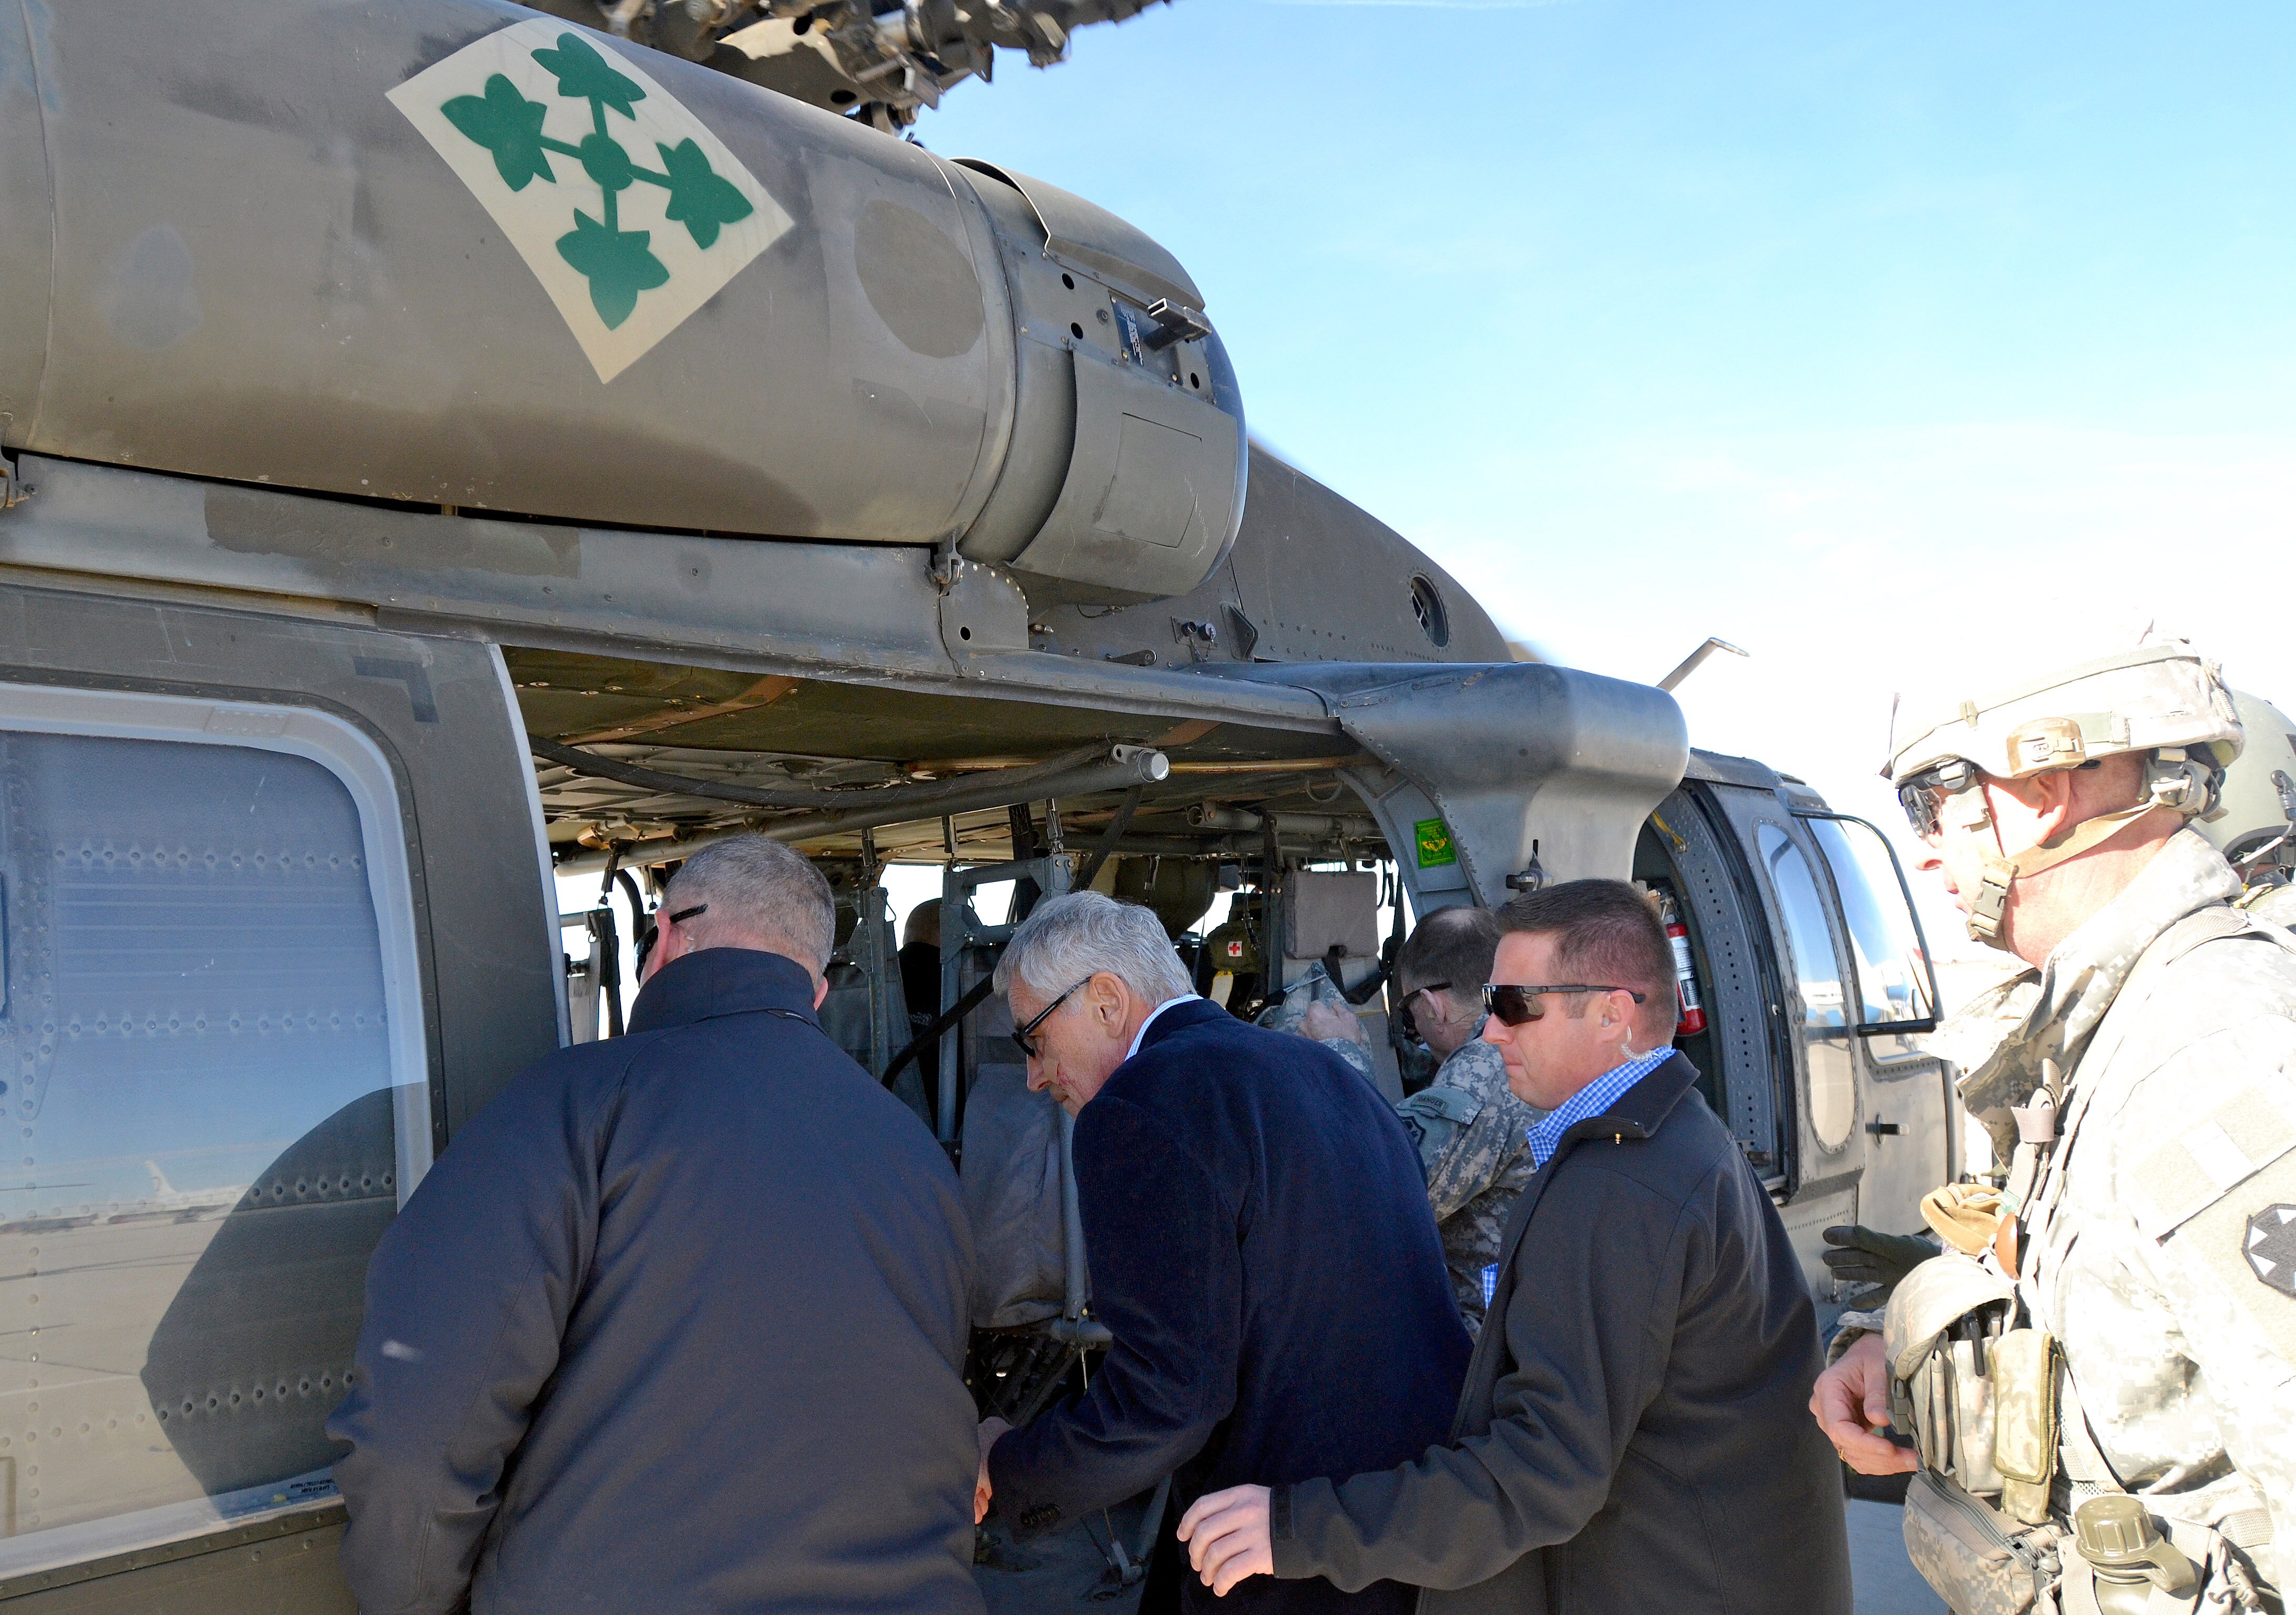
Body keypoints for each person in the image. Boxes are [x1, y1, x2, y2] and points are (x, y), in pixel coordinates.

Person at [330, 837, 983, 1615]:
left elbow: (423, 1423)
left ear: (668, 936)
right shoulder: (914, 1151)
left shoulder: (573, 1106)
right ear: (814, 988)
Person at [1177, 879, 1852, 1615]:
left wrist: (1296, 1529)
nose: (1491, 1032)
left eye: (1512, 1006)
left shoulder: (1624, 1188)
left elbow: (1539, 1472)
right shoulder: (1672, 1140)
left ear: (1611, 1013)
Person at [1809, 634, 2296, 1612]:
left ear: (2048, 784)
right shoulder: (2109, 1030)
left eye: (1932, 800)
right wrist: (1889, 1345)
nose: (1925, 846)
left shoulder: (2216, 1055)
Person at [976, 891, 1470, 1615]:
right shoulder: (1328, 1075)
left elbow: (1169, 1396)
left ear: (1108, 1001)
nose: (1035, 1077)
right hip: (1404, 1528)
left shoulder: (1142, 1105)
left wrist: (1010, 1467)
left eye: (1035, 1041)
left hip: (1276, 1558)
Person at [1320, 906, 1541, 1335]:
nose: (1413, 1023)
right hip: (1535, 1314)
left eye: (1408, 1011)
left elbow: (1372, 1197)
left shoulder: (1482, 1069)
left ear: (1431, 1005)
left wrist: (1340, 1056)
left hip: (1482, 1343)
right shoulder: (1524, 1034)